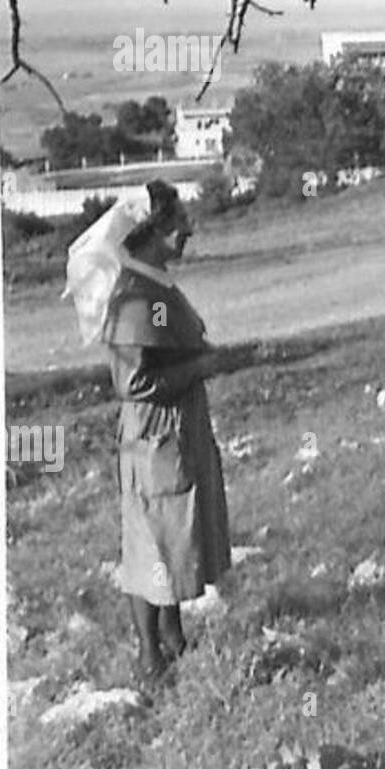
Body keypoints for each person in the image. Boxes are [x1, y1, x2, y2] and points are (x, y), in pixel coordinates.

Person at [64, 180, 231, 680]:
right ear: (152, 232)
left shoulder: (153, 290)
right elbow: (135, 381)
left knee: (171, 532)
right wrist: (201, 368)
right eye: (178, 222)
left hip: (172, 432)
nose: (188, 231)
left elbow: (167, 349)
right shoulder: (138, 300)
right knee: (151, 539)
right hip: (156, 436)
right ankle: (150, 657)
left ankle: (173, 636)